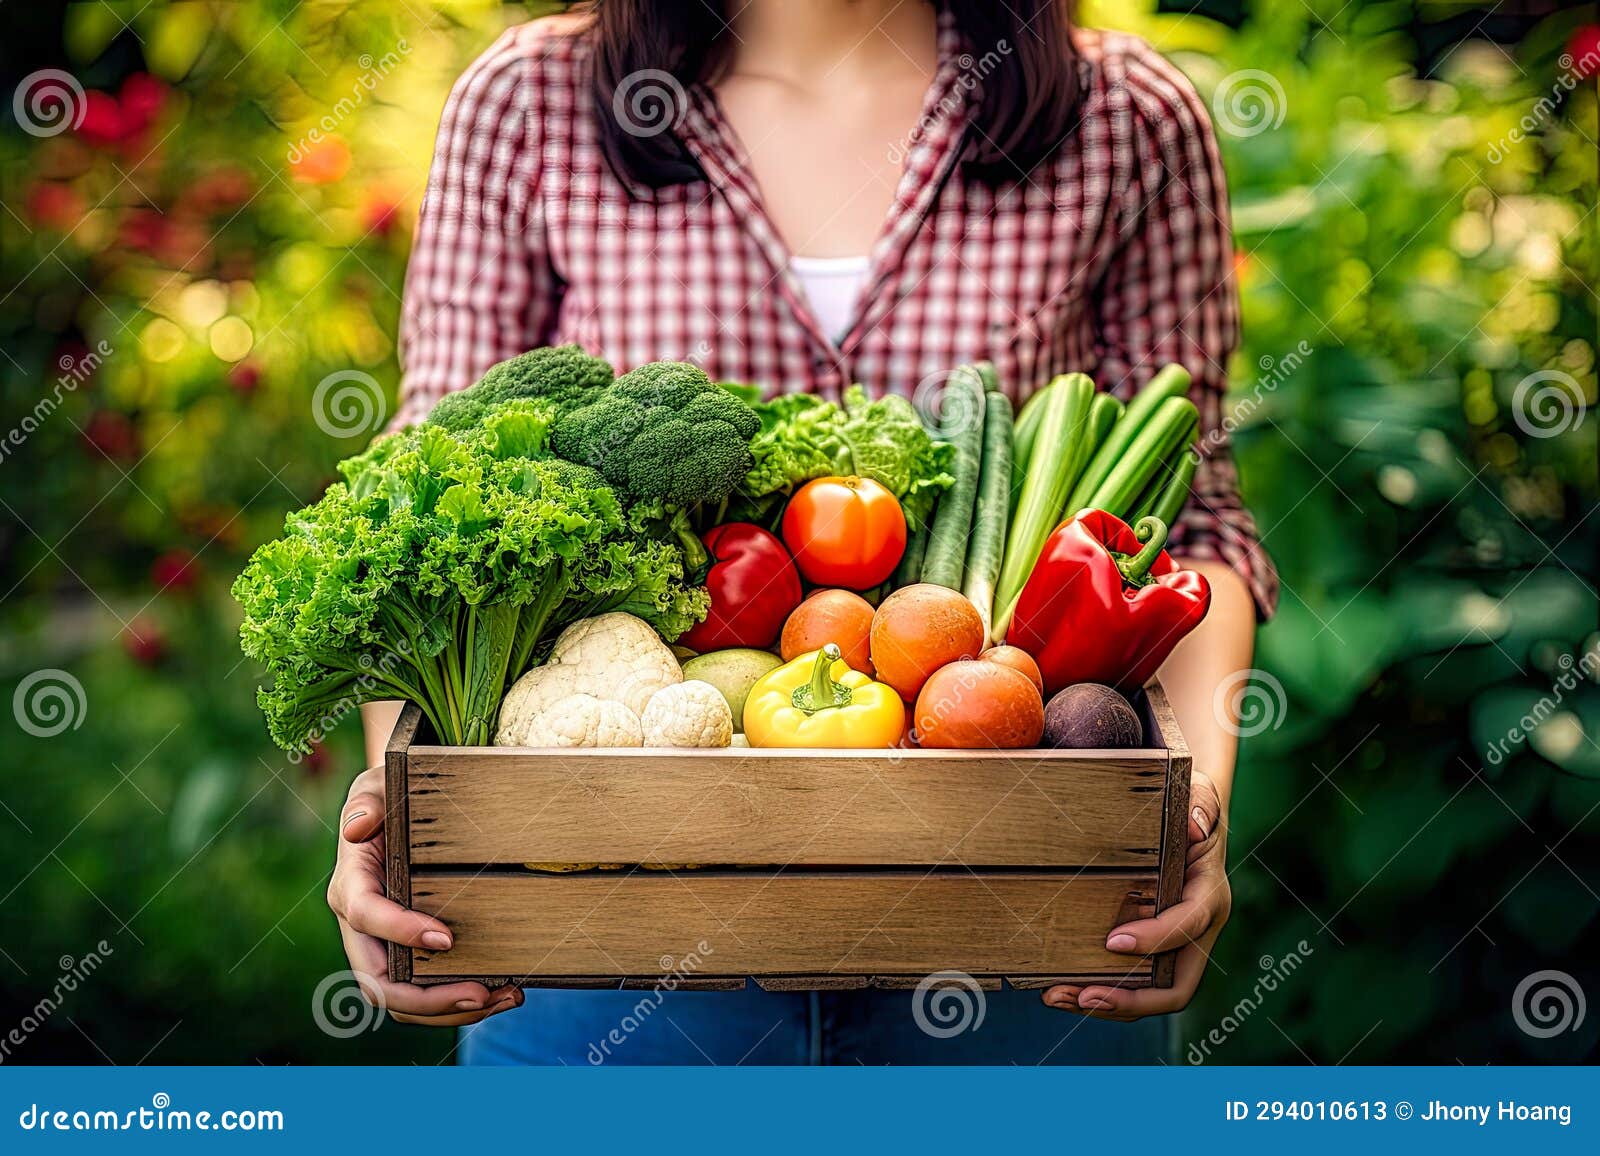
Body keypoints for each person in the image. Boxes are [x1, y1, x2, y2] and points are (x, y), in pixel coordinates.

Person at [326, 0, 1277, 1065]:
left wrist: (1184, 826)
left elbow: (1193, 527)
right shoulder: (528, 104)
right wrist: (420, 832)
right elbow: (422, 518)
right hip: (601, 945)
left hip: (1021, 939)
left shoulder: (1127, 119)